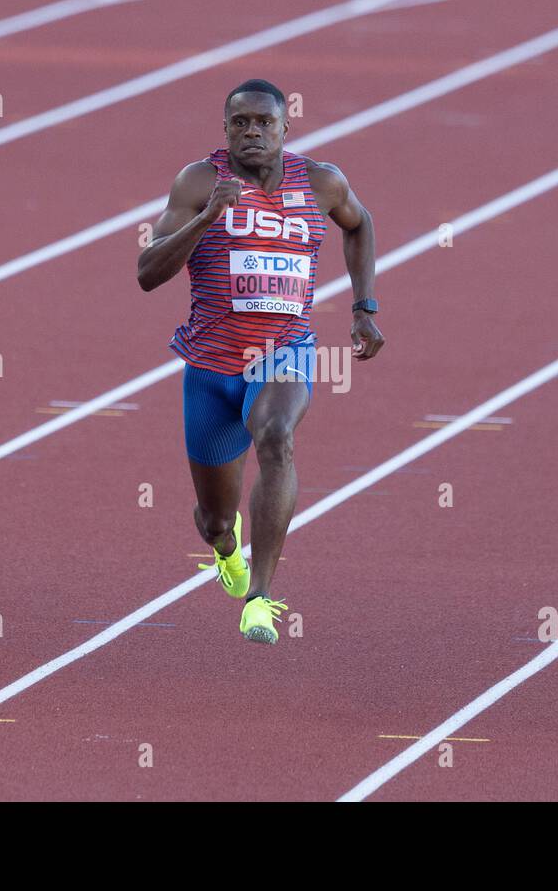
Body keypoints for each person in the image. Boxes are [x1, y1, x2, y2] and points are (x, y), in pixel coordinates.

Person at [138, 79, 385, 643]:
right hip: (210, 365)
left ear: (285, 128)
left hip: (283, 350)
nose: (252, 132)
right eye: (240, 123)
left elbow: (360, 222)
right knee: (214, 520)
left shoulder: (322, 181)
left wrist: (364, 308)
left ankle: (261, 596)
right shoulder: (199, 182)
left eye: (263, 123)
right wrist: (206, 218)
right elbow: (147, 273)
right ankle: (228, 549)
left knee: (277, 438)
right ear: (225, 130)